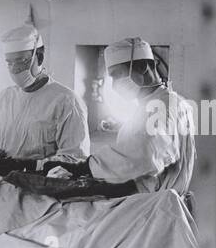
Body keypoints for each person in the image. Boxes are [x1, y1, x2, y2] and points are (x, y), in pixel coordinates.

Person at [46, 37, 196, 197]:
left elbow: (144, 152)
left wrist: (82, 168)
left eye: (117, 75)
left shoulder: (164, 106)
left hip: (154, 206)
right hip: (153, 201)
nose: (114, 84)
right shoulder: (159, 103)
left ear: (143, 66)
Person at [0, 24, 90, 175]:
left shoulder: (66, 101)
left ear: (39, 57)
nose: (14, 68)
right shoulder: (6, 97)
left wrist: (29, 165)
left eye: (21, 61)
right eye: (9, 62)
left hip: (40, 185)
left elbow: (76, 159)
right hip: (3, 181)